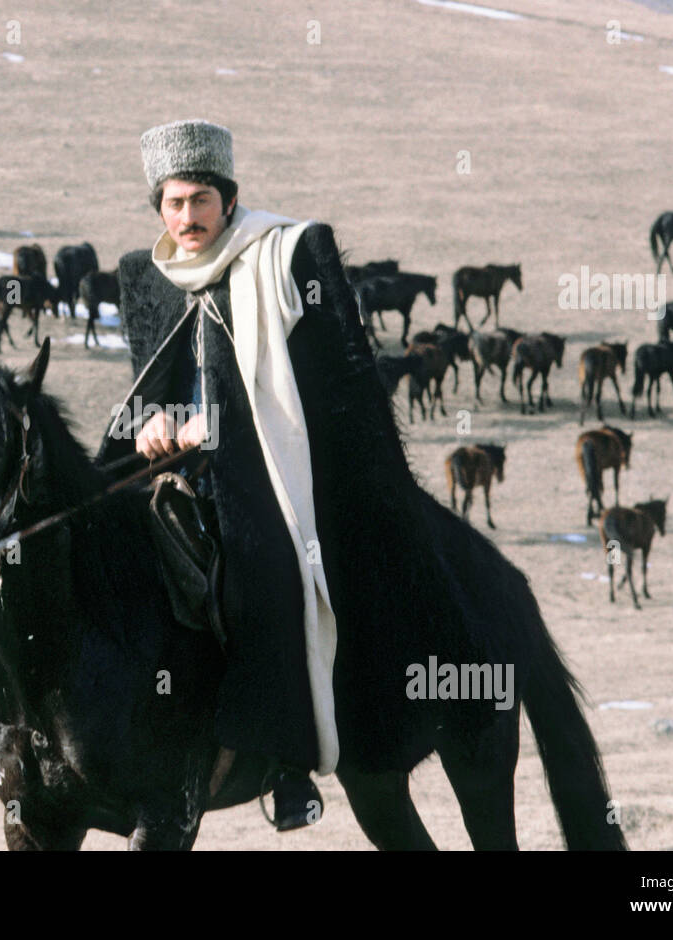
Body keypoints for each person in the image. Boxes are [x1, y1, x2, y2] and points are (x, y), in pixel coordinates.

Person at [96, 119, 404, 831]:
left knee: (266, 572)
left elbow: (335, 381)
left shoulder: (283, 256)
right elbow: (152, 382)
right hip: (174, 477)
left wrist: (227, 427)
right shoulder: (147, 276)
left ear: (228, 200)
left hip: (273, 471)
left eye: (200, 200)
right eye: (173, 204)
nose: (188, 217)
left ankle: (286, 762)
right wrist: (153, 421)